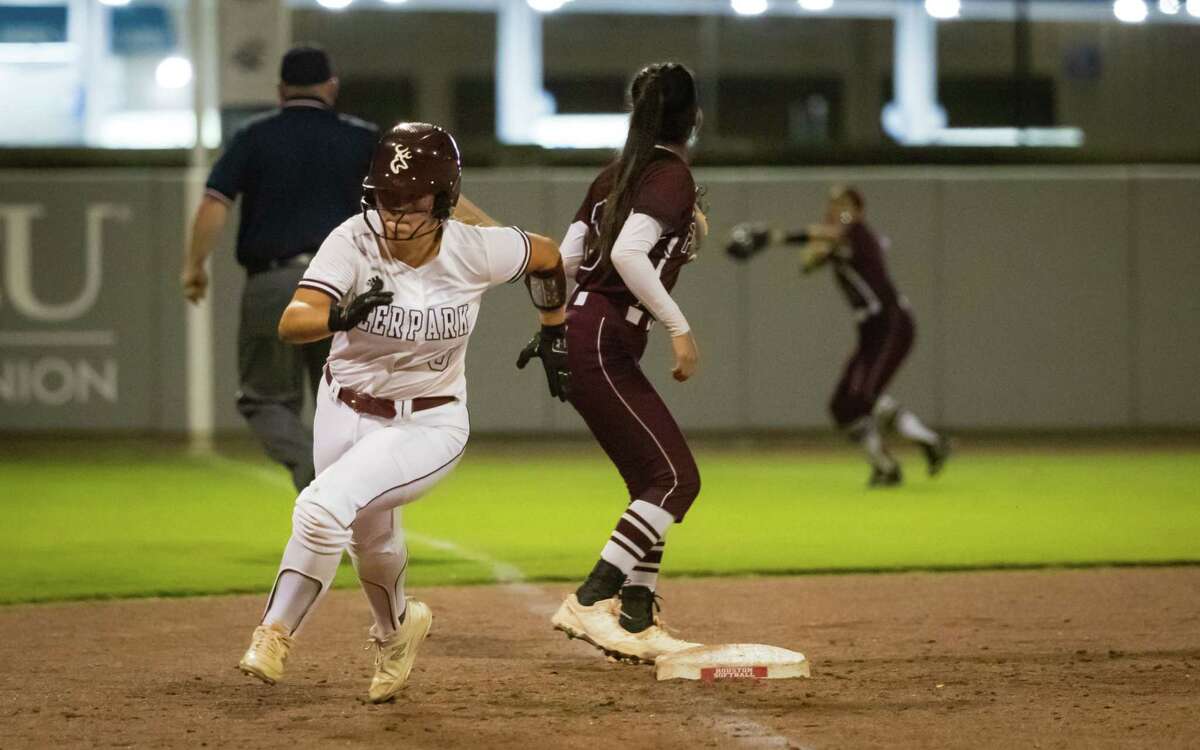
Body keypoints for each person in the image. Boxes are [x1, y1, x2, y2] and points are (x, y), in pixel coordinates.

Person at [235, 122, 568, 703]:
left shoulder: (477, 249)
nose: (395, 212)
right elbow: (292, 321)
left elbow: (547, 255)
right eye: (386, 197)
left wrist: (555, 329)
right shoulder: (353, 239)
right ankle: (396, 630)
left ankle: (275, 633)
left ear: (443, 199)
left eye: (411, 199)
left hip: (428, 421)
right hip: (342, 408)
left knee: (320, 507)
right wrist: (339, 316)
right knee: (372, 542)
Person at [181, 44, 499, 491]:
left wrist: (194, 266)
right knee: (348, 398)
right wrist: (493, 234)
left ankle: (311, 470)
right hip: (352, 287)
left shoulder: (253, 136)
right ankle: (347, 486)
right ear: (331, 87)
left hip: (274, 281)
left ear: (280, 90)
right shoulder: (362, 137)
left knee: (264, 400)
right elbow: (431, 188)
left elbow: (214, 205)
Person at [521, 62, 706, 665]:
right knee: (676, 481)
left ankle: (636, 615)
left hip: (587, 332)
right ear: (693, 117)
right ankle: (591, 597)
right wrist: (679, 327)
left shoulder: (614, 175)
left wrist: (553, 326)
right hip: (605, 334)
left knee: (650, 484)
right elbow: (627, 253)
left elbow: (562, 263)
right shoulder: (670, 174)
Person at [725, 186, 951, 486]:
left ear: (858, 210)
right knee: (842, 405)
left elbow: (828, 236)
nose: (835, 210)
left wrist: (774, 237)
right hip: (871, 330)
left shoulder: (857, 231)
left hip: (891, 323)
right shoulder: (844, 239)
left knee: (861, 398)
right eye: (832, 204)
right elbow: (811, 259)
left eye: (842, 204)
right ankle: (888, 464)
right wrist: (816, 255)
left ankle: (926, 443)